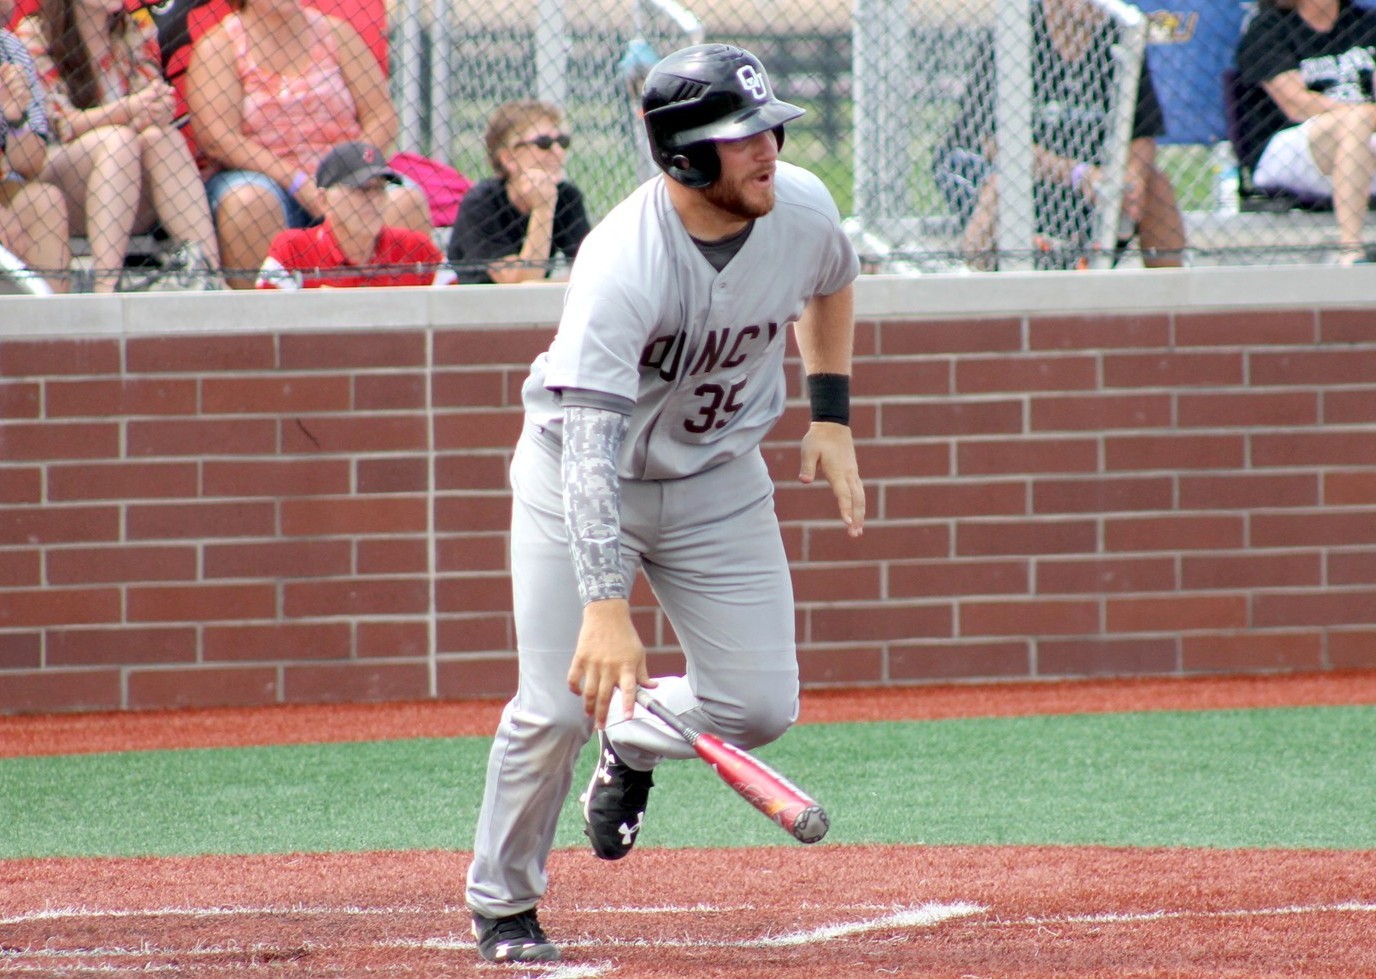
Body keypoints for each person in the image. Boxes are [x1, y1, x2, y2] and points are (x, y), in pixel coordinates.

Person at [464, 43, 864, 964]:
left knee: (759, 702)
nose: (767, 149)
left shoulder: (798, 204)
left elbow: (833, 279)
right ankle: (505, 904)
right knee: (556, 706)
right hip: (578, 479)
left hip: (718, 479)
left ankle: (635, 745)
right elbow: (591, 452)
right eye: (740, 137)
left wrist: (830, 413)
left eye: (770, 129)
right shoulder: (622, 262)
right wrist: (607, 605)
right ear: (684, 154)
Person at [186, 0, 430, 288]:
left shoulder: (337, 34)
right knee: (248, 203)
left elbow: (381, 115)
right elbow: (218, 138)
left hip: (346, 175)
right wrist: (296, 181)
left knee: (403, 201)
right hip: (265, 178)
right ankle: (264, 325)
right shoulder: (219, 46)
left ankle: (395, 322)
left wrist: (346, 174)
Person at [932, 0, 1185, 269]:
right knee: (1000, 186)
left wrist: (1132, 179)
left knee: (1156, 185)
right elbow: (996, 144)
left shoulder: (1119, 38)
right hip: (1021, 173)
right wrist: (1078, 174)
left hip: (1092, 186)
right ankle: (978, 296)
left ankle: (1174, 305)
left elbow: (1142, 134)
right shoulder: (1014, 34)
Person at [16, 0, 220, 293]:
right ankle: (106, 286)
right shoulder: (35, 34)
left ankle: (211, 273)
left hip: (127, 183)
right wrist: (130, 109)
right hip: (63, 179)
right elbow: (57, 124)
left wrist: (154, 108)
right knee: (118, 140)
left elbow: (147, 105)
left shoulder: (136, 31)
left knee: (162, 139)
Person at [1235, 0, 1376, 265]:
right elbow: (1296, 105)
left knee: (1357, 123)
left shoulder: (1366, 23)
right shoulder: (1268, 28)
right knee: (1355, 119)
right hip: (1290, 146)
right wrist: (1363, 113)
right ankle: (1351, 249)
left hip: (1363, 136)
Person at [255, 140, 453, 289]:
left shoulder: (416, 249)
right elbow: (266, 330)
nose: (373, 200)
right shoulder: (292, 250)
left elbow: (457, 323)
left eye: (379, 189)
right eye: (360, 189)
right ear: (324, 200)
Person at [445, 99, 591, 284]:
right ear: (508, 158)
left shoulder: (566, 197)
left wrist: (545, 285)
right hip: (478, 306)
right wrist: (543, 208)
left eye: (562, 142)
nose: (558, 151)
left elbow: (594, 270)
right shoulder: (481, 203)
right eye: (543, 143)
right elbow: (518, 285)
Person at [2, 0, 69, 292]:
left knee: (46, 201)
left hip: (5, 186)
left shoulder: (11, 50)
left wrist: (15, 119)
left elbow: (30, 163)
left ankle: (57, 333)